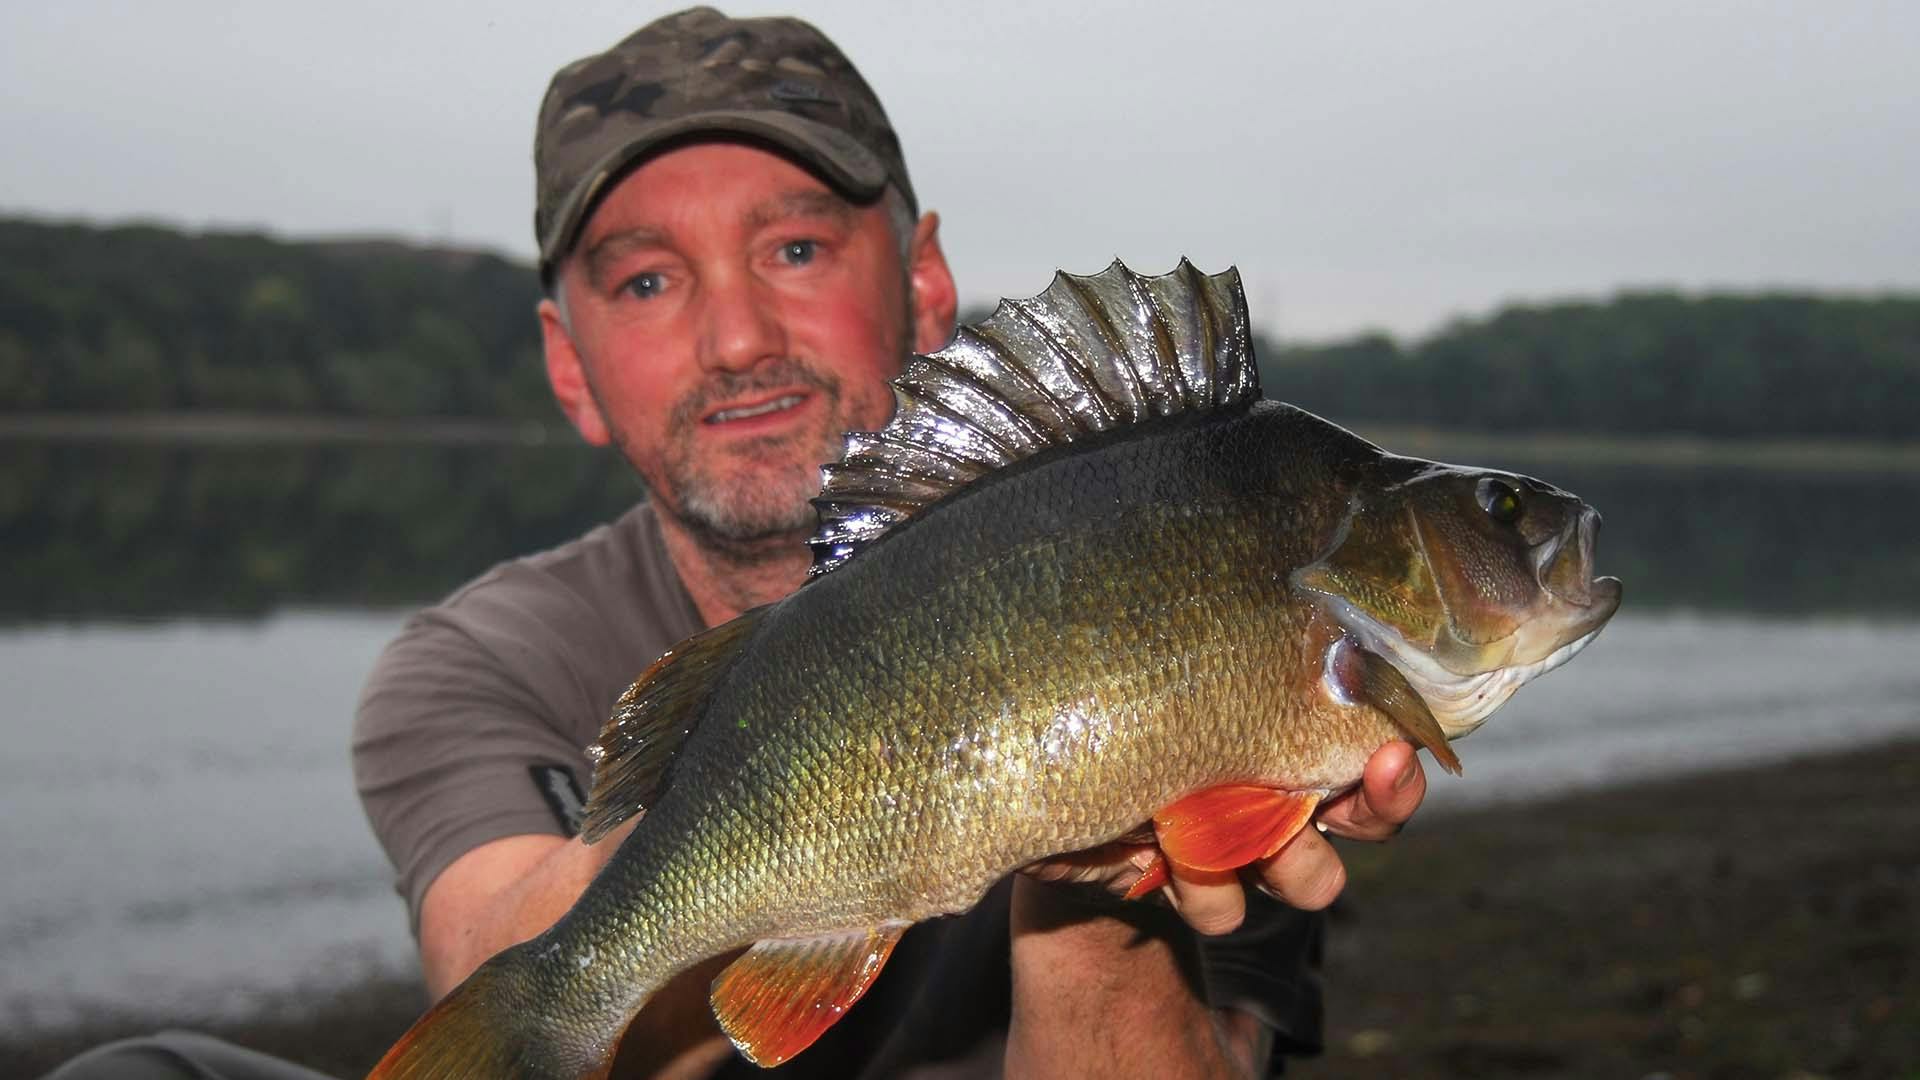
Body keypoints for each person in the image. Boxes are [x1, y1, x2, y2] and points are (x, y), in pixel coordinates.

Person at [44, 9, 1425, 1080]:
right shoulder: (477, 662)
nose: (738, 336)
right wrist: (778, 816)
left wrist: (1098, 874)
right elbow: (494, 958)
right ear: (570, 367)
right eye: (648, 279)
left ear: (925, 284)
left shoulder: (1216, 586)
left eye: (797, 250)